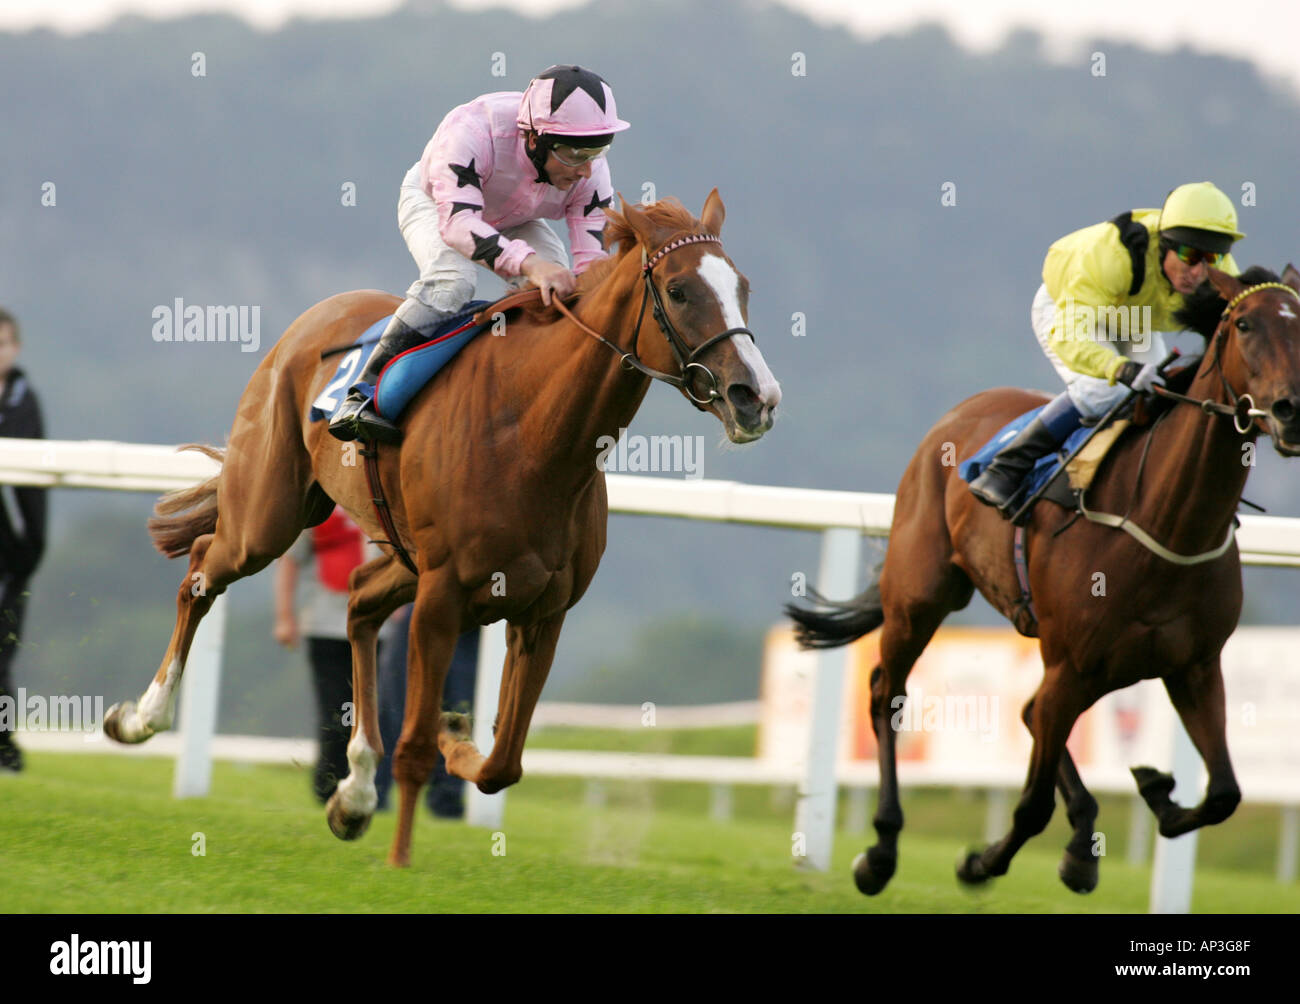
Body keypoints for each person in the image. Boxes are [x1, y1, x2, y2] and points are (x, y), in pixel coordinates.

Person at [329, 64, 628, 444]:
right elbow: (458, 225)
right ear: (534, 138)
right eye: (574, 154)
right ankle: (361, 394)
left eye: (597, 151)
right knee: (452, 283)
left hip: (517, 217)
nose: (587, 170)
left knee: (563, 291)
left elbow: (593, 267)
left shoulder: (590, 171)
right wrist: (531, 263)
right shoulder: (471, 130)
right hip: (439, 203)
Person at [969, 182, 1244, 514]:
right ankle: (1008, 466)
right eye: (1189, 256)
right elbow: (1070, 335)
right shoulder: (1110, 256)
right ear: (1165, 246)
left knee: (1163, 398)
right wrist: (1119, 368)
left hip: (1131, 315)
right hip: (1068, 309)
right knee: (1104, 390)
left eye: (1212, 258)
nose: (1199, 272)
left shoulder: (1220, 275)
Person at [273, 507, 370, 802]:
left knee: (372, 714)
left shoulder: (384, 498)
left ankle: (367, 785)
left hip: (374, 627)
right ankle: (330, 786)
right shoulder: (318, 507)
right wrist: (285, 617)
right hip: (325, 624)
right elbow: (290, 560)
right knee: (338, 709)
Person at [373, 603, 479, 818]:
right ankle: (374, 790)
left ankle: (447, 797)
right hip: (422, 605)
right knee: (398, 706)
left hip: (474, 618)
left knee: (459, 709)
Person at [0, 308, 47, 773]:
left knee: (1, 651)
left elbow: (31, 494)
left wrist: (29, 551)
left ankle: (4, 744)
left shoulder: (24, 401)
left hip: (11, 556)